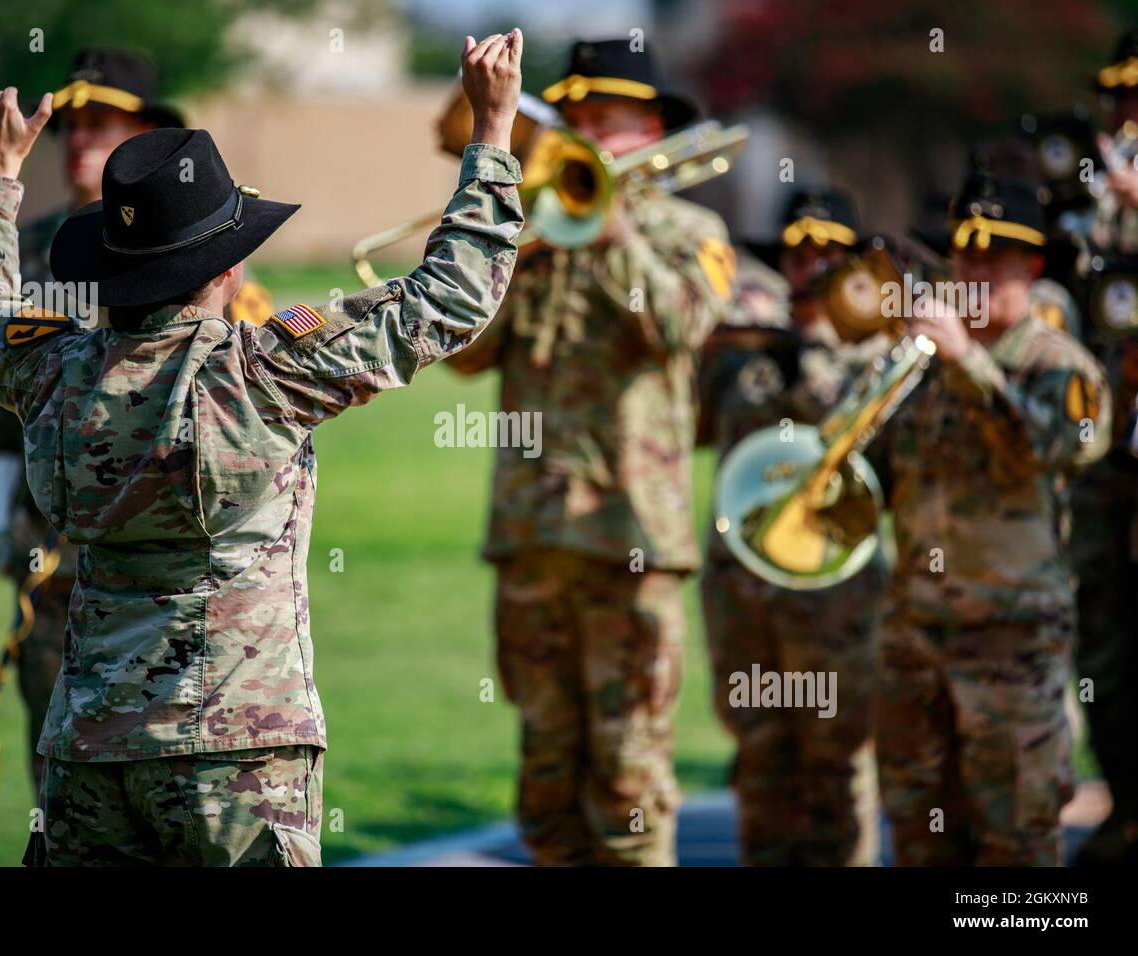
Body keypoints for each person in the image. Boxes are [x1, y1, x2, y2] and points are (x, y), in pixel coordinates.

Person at [0, 29, 525, 866]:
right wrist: (492, 131)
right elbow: (450, 297)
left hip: (89, 753)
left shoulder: (51, 371)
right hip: (238, 753)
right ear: (222, 271)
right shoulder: (264, 371)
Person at [447, 38, 733, 866]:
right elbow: (461, 353)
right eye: (573, 123)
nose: (583, 139)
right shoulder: (528, 228)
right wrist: (507, 238)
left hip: (631, 541)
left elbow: (680, 325)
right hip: (531, 534)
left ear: (651, 130)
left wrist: (608, 233)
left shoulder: (692, 230)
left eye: (603, 123)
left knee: (628, 775)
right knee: (544, 771)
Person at [872, 170, 1112, 865]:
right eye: (963, 259)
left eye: (991, 261)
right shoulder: (918, 364)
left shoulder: (1057, 365)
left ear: (1032, 269)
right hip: (916, 641)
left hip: (1011, 642)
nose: (971, 274)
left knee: (1017, 843)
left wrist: (969, 361)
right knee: (923, 842)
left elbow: (1049, 450)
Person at [0, 49, 184, 797]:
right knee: (56, 776)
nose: (78, 142)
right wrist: (3, 520)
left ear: (145, 135)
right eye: (70, 126)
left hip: (159, 572)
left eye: (101, 124)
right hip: (50, 565)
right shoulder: (29, 249)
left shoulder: (201, 253)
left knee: (158, 779)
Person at [698, 189, 885, 866]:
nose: (811, 266)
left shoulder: (873, 350)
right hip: (742, 578)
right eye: (799, 252)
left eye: (828, 252)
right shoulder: (742, 340)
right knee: (760, 750)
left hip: (833, 586)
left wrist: (811, 347)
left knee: (834, 756)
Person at [1063, 29, 1138, 865]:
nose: (1128, 117)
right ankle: (1123, 804)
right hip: (1101, 450)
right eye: (1119, 100)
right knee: (1102, 637)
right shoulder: (1083, 195)